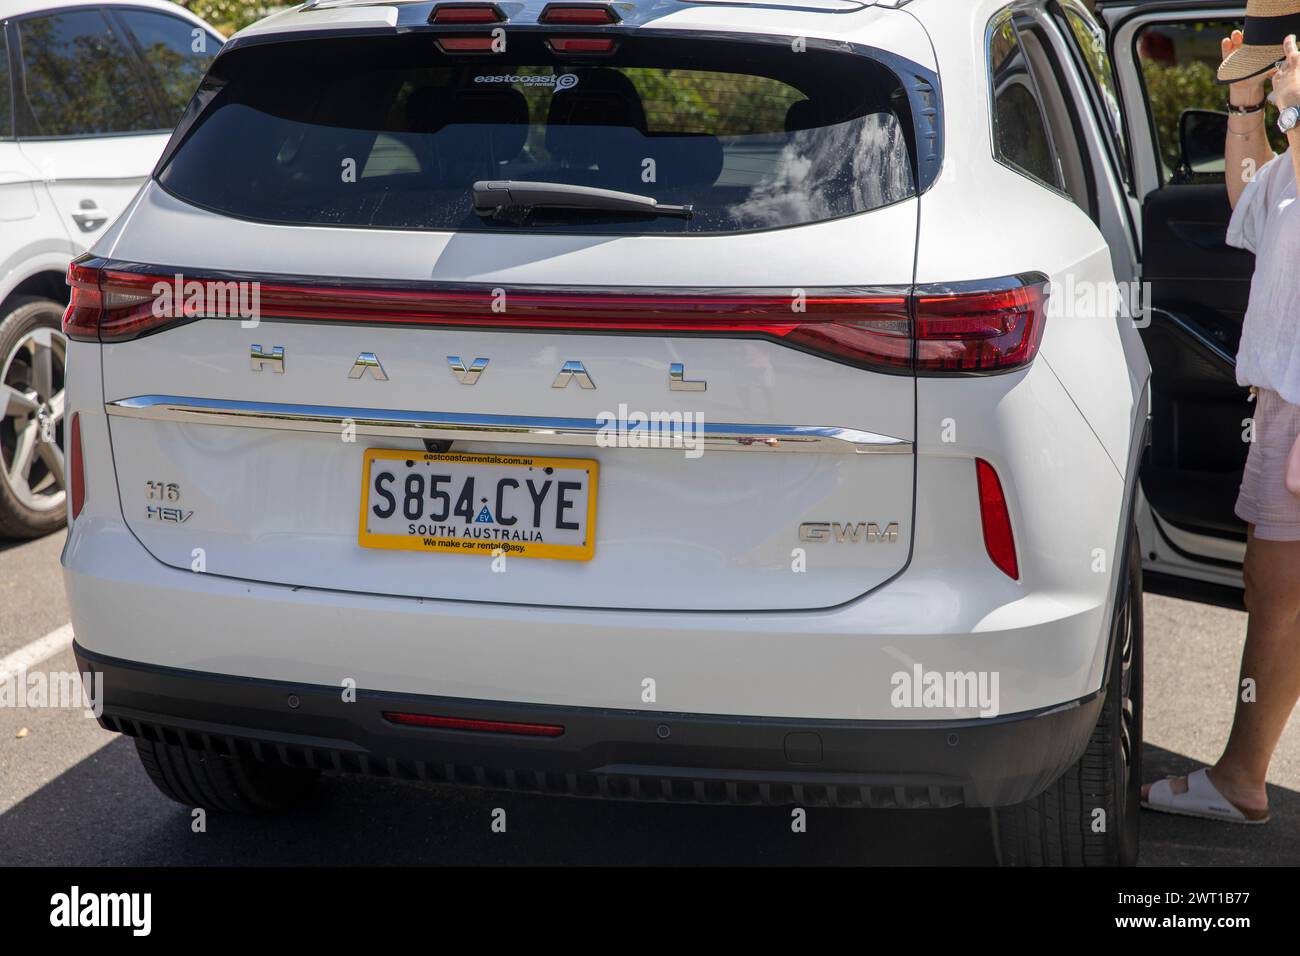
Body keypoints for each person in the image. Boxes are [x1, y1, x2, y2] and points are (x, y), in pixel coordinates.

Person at [1142, 24, 1300, 825]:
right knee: (1275, 593)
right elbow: (1250, 197)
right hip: (1286, 403)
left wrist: (1294, 102)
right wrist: (1244, 98)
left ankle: (1241, 777)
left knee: (1279, 595)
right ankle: (1242, 775)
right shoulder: (1292, 163)